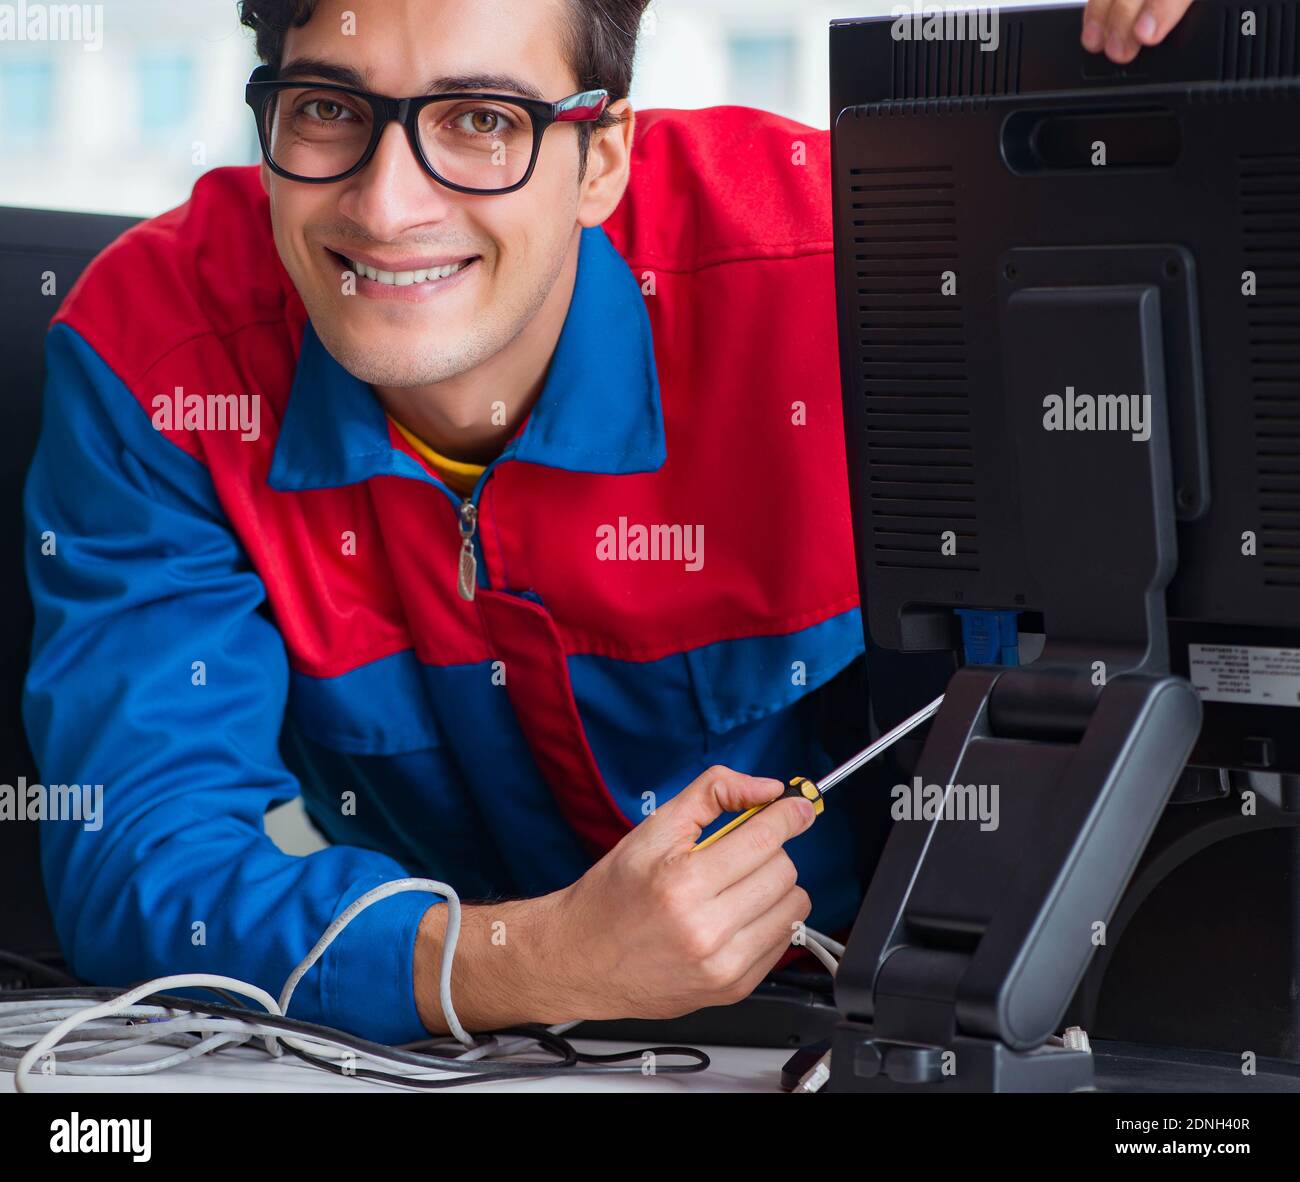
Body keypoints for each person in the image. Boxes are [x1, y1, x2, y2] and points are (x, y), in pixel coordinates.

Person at [23, 0, 1195, 1043]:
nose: (385, 206)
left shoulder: (867, 266)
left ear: (601, 158)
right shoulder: (154, 353)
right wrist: (533, 961)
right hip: (477, 1055)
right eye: (329, 107)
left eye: (481, 121)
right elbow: (145, 863)